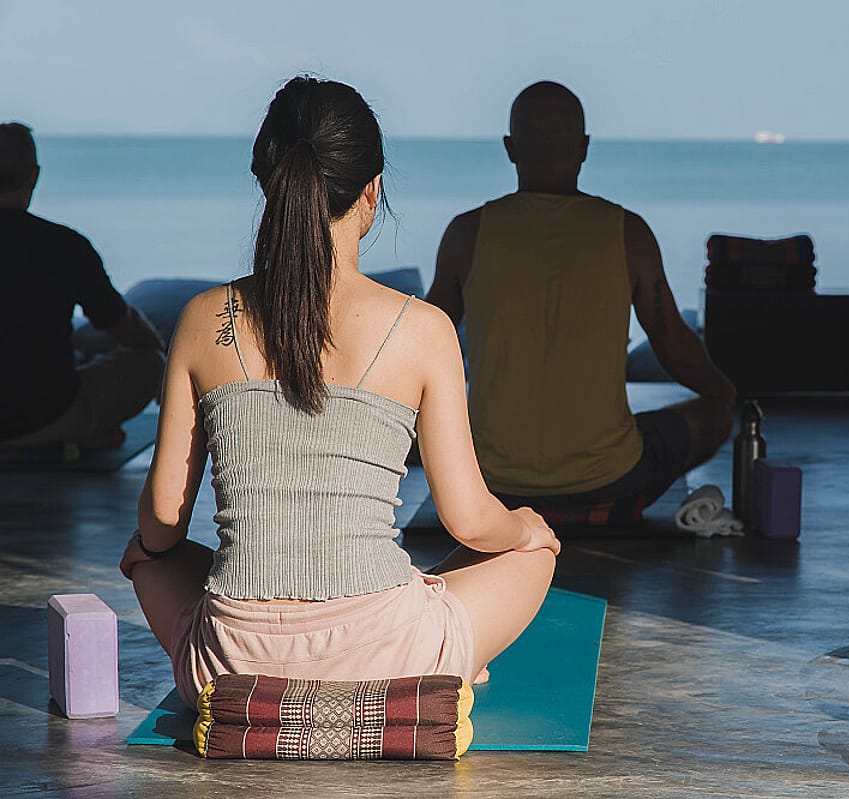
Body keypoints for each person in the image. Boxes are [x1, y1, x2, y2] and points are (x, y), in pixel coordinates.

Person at [119, 76, 559, 706]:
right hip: (390, 661)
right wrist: (525, 529)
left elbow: (162, 524)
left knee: (157, 560)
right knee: (530, 556)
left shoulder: (201, 318)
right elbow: (468, 519)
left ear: (268, 184)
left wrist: (148, 551)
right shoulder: (424, 330)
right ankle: (437, 660)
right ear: (371, 191)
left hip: (232, 671)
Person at [426, 81, 737, 525]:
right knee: (712, 417)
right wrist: (725, 393)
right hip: (612, 479)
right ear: (585, 147)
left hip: (489, 482)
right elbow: (672, 345)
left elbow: (428, 342)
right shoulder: (629, 233)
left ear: (511, 148)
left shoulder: (466, 234)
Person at [0, 122, 165, 450]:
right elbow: (124, 326)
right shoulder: (64, 246)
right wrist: (160, 349)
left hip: (41, 409)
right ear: (34, 175)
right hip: (45, 414)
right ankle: (66, 440)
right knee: (149, 364)